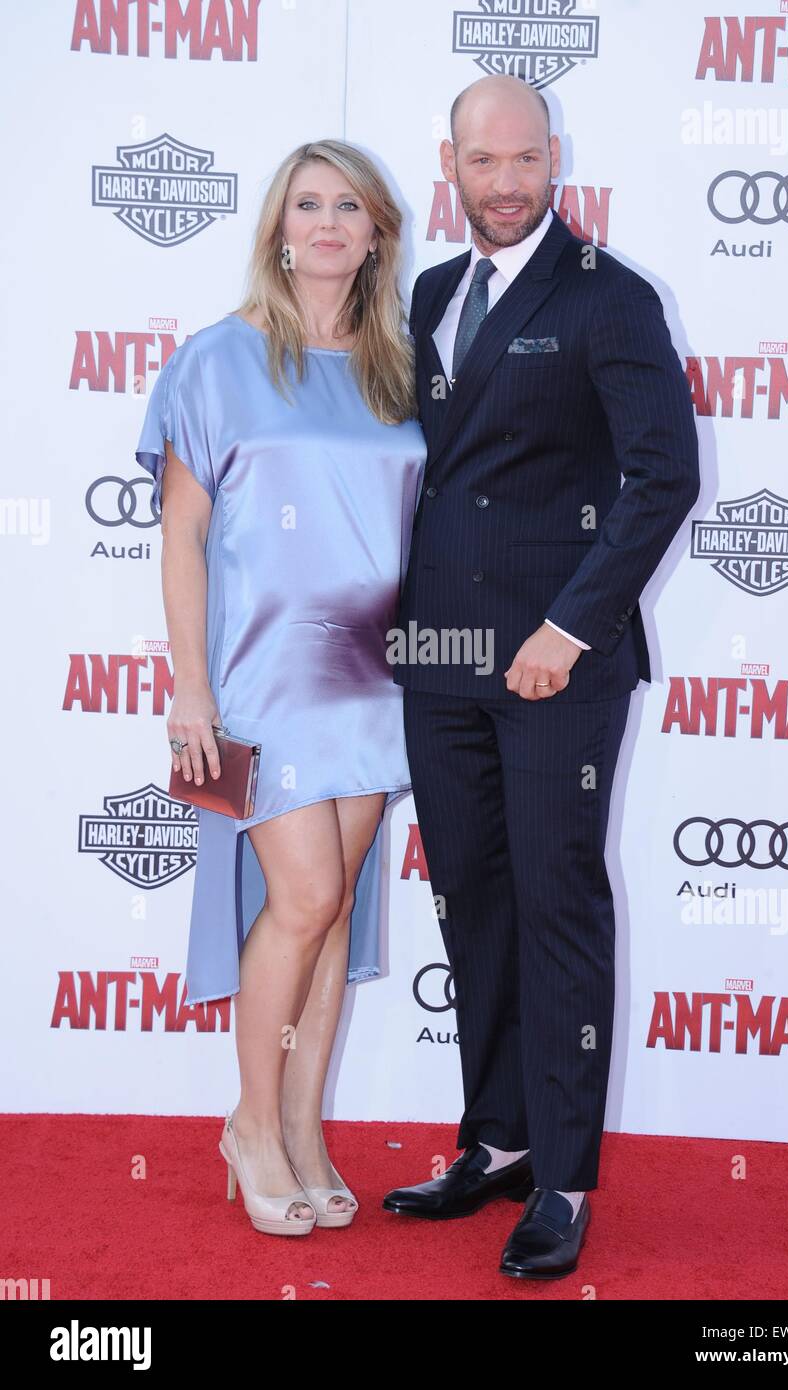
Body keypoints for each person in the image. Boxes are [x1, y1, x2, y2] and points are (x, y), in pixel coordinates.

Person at [383, 75, 700, 1279]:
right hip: (439, 654)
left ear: (555, 158)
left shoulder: (611, 300)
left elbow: (660, 475)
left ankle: (563, 1178)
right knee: (471, 900)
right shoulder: (427, 294)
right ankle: (498, 1138)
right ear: (449, 168)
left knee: (558, 903)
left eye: (525, 160)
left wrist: (569, 628)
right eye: (482, 162)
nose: (506, 183)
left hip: (557, 664)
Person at [135, 140, 426, 1236]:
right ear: (276, 227)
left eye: (348, 206)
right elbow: (183, 536)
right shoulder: (217, 360)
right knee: (299, 900)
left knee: (334, 911)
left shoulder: (396, 364)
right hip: (265, 673)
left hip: (375, 674)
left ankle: (303, 1126)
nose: (326, 224)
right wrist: (190, 692)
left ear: (376, 232)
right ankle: (251, 1125)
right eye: (306, 204)